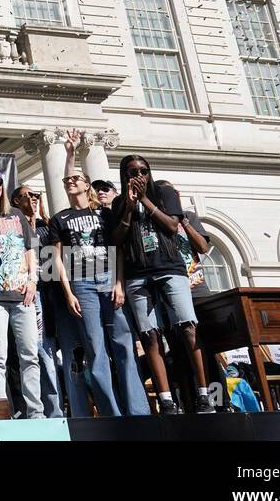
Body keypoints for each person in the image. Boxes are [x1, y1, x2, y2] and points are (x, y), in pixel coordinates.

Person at [48, 137, 150, 418]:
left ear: (87, 185)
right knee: (95, 349)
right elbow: (57, 260)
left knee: (123, 344)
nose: (70, 182)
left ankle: (138, 411)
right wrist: (68, 293)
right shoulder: (60, 219)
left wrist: (119, 283)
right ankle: (111, 414)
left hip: (108, 278)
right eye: (67, 180)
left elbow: (117, 248)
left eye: (76, 179)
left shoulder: (104, 214)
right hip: (81, 284)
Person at [108, 155, 213, 414]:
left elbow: (172, 226)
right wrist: (129, 208)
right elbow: (117, 241)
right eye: (133, 172)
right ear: (124, 175)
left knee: (188, 327)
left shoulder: (164, 193)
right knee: (150, 335)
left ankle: (204, 395)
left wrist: (145, 200)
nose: (139, 176)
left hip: (169, 268)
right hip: (137, 274)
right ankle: (166, 400)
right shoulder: (119, 202)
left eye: (143, 170)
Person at [0, 167, 42, 419]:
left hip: (23, 295)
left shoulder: (16, 214)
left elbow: (30, 249)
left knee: (30, 355)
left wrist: (33, 280)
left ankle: (36, 412)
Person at [12, 184, 63, 418]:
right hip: (31, 294)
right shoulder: (14, 224)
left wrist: (42, 216)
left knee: (52, 351)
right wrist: (30, 222)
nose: (33, 198)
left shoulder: (45, 225)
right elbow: (26, 250)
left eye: (36, 195)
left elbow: (57, 252)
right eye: (28, 195)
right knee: (40, 351)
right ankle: (50, 411)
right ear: (16, 201)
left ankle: (58, 407)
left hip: (53, 292)